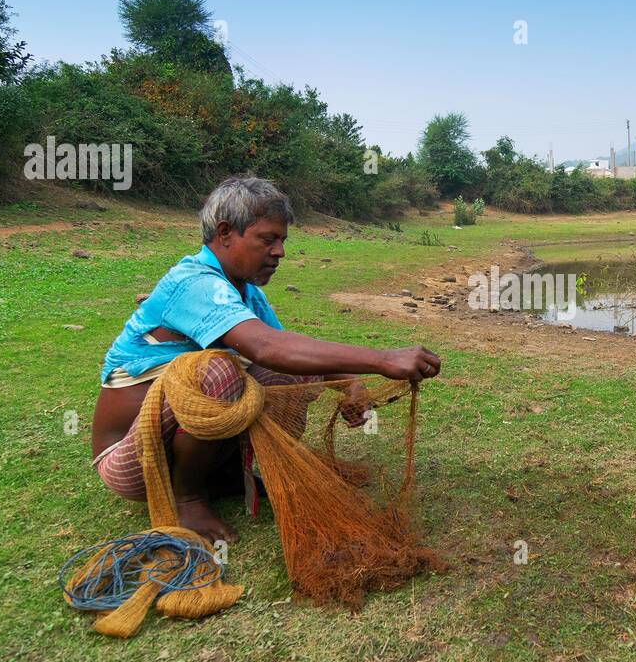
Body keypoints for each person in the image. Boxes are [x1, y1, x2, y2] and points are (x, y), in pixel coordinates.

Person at [90, 176, 441, 543]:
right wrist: (382, 359)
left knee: (290, 376)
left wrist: (351, 383)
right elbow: (265, 347)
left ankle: (223, 476)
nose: (280, 252)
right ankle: (188, 498)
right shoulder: (194, 282)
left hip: (176, 449)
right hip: (133, 463)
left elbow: (284, 354)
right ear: (225, 233)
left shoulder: (244, 291)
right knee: (216, 371)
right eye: (268, 239)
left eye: (283, 241)